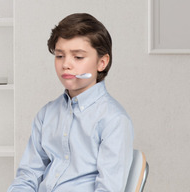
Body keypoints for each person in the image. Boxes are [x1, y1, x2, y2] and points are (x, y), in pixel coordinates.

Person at [8, 13, 134, 192]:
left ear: (102, 62)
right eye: (60, 56)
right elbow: (27, 176)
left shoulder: (114, 120)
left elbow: (108, 188)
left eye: (78, 57)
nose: (66, 64)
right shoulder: (46, 114)